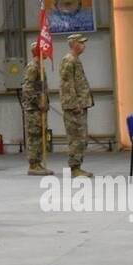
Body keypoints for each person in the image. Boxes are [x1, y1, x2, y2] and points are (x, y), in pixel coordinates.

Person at [59, 34, 94, 178]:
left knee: (82, 137)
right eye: (81, 43)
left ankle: (77, 166)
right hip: (74, 107)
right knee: (76, 138)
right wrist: (74, 105)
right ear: (73, 44)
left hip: (80, 104)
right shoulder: (69, 60)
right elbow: (67, 85)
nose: (84, 45)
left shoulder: (75, 60)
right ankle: (74, 168)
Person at [22, 43, 50, 175]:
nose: (47, 52)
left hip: (39, 108)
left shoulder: (40, 67)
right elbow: (28, 88)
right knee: (34, 135)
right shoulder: (33, 67)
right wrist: (38, 102)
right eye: (44, 49)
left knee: (40, 134)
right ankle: (33, 164)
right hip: (33, 108)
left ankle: (38, 162)